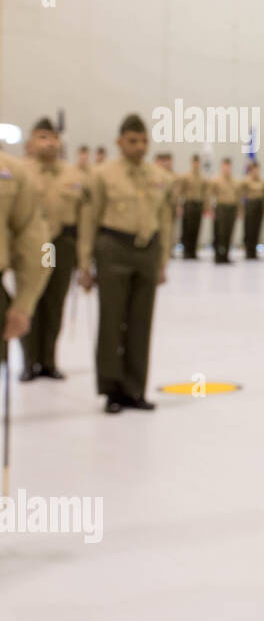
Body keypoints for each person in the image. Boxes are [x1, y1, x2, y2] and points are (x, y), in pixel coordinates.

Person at [77, 114, 172, 413]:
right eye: (133, 141)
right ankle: (111, 390)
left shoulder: (159, 177)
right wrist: (84, 264)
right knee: (111, 323)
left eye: (144, 141)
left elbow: (166, 223)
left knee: (141, 324)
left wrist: (162, 262)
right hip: (113, 249)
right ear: (119, 142)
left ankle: (135, 389)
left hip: (147, 251)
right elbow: (88, 220)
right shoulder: (102, 175)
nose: (140, 147)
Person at [17, 118, 71, 380]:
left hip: (59, 244)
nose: (50, 143)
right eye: (43, 137)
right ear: (31, 142)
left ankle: (49, 360)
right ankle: (29, 361)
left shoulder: (72, 174)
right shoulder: (20, 171)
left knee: (54, 302)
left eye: (53, 137)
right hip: (31, 245)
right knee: (29, 300)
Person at [209, 158, 239, 264]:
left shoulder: (234, 181)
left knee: (228, 233)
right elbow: (209, 195)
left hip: (231, 208)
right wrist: (210, 209)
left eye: (228, 167)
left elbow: (237, 197)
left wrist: (238, 210)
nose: (227, 169)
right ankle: (218, 256)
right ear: (221, 167)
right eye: (225, 167)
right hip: (221, 208)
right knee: (220, 232)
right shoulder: (216, 180)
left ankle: (226, 255)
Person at [178, 154, 208, 259]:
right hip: (189, 204)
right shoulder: (186, 177)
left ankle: (193, 251)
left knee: (196, 229)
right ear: (191, 163)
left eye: (198, 162)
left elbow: (205, 193)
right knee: (187, 229)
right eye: (194, 162)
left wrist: (205, 207)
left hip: (198, 204)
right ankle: (186, 251)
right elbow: (180, 192)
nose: (196, 164)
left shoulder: (202, 178)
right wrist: (179, 206)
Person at [239, 161, 264, 259]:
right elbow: (241, 195)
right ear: (250, 170)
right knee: (249, 229)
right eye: (254, 170)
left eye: (257, 170)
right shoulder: (246, 181)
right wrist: (241, 209)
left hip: (259, 206)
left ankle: (254, 251)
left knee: (257, 229)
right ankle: (248, 251)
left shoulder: (262, 182)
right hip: (250, 206)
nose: (256, 172)